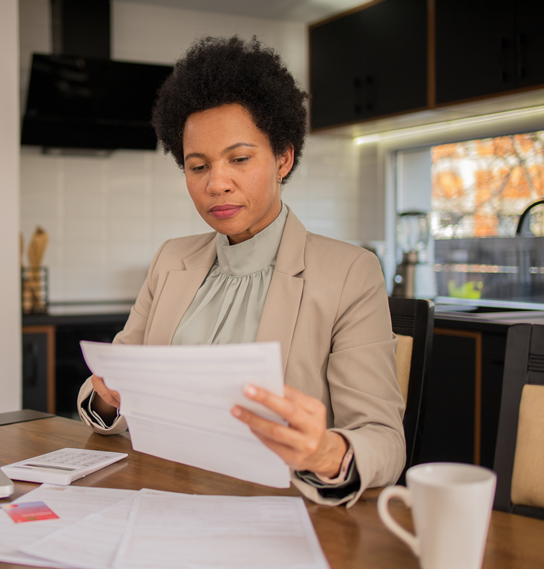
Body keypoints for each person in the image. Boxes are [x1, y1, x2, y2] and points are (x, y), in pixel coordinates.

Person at [76, 36, 405, 506]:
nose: (216, 183)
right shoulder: (171, 260)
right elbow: (104, 395)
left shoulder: (349, 273)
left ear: (283, 159)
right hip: (164, 500)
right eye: (197, 166)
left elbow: (385, 441)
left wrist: (328, 451)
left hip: (278, 511)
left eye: (240, 159)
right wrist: (109, 395)